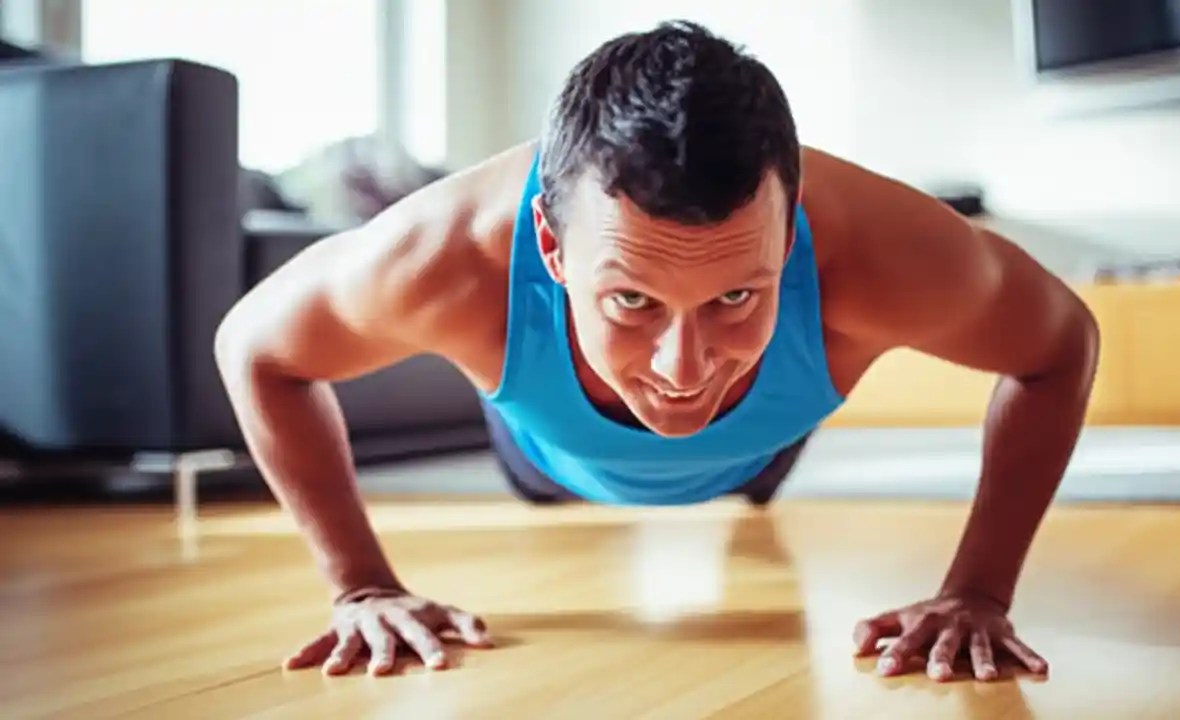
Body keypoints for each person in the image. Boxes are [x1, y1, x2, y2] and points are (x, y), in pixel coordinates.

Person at [214, 20, 1099, 684]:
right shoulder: (440, 259)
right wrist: (360, 584)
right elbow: (254, 349)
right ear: (553, 251)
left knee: (744, 456)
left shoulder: (885, 251)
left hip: (766, 448)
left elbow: (1061, 345)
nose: (684, 371)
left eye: (736, 297)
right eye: (631, 300)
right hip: (548, 461)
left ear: (789, 239)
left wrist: (979, 590)